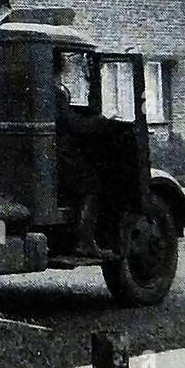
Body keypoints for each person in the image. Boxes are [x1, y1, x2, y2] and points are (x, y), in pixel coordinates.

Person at [54, 52, 110, 256]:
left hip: (51, 154)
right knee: (92, 183)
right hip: (59, 156)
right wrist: (100, 122)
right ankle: (85, 239)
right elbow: (71, 124)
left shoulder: (50, 90)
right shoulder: (55, 93)